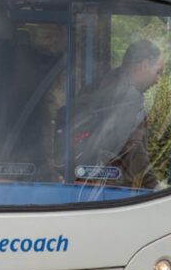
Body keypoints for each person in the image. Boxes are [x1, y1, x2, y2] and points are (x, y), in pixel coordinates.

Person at [70, 38, 165, 188]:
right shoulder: (130, 96)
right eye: (158, 72)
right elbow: (133, 149)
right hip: (112, 187)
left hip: (85, 178)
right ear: (144, 65)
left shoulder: (103, 83)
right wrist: (154, 187)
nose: (158, 80)